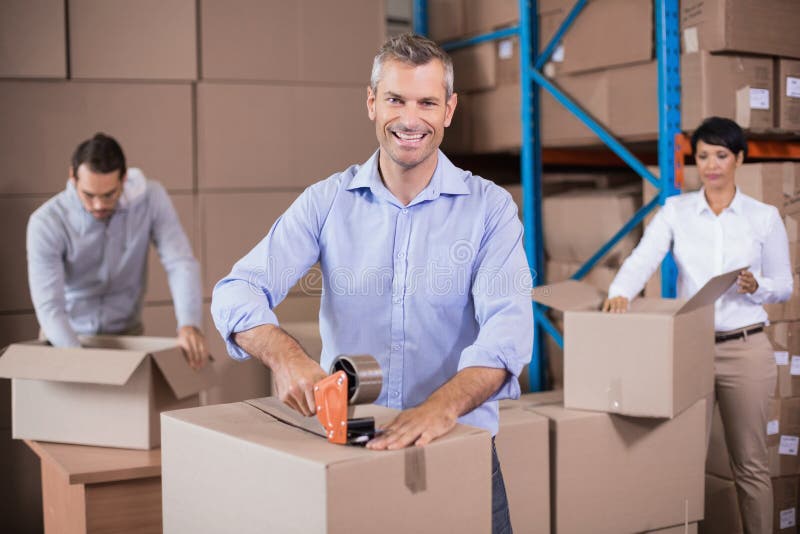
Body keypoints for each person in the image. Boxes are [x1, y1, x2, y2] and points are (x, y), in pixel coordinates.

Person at [211, 33, 532, 533]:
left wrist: (438, 410)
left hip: (457, 448)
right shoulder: (326, 202)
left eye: (427, 102)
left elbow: (506, 335)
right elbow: (237, 290)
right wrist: (287, 358)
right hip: (354, 451)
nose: (410, 119)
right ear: (371, 102)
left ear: (449, 109)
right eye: (395, 99)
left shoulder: (489, 209)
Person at [603, 117, 792, 533]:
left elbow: (785, 287)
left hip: (746, 348)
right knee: (685, 461)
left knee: (751, 463)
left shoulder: (764, 218)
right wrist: (620, 292)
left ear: (739, 158)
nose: (710, 165)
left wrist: (757, 286)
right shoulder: (677, 211)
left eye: (721, 155)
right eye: (702, 155)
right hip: (692, 348)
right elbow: (643, 257)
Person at [27, 133, 208, 369]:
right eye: (89, 195)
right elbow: (49, 306)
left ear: (123, 179)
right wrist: (80, 365)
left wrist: (189, 323)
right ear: (72, 177)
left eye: (109, 194)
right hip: (66, 338)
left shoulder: (151, 198)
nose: (99, 205)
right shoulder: (46, 222)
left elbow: (180, 262)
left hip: (127, 336)